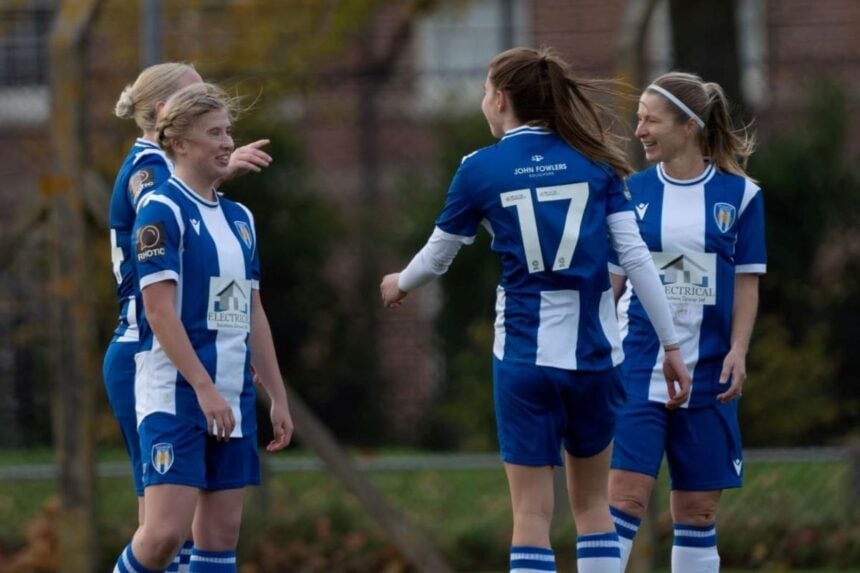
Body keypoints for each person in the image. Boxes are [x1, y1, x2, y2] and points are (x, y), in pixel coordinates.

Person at [380, 47, 691, 573]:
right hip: (596, 356)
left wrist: (399, 282)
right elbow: (637, 260)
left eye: (484, 90)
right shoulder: (595, 161)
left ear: (500, 99)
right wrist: (671, 345)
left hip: (525, 355)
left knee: (530, 513)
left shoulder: (479, 169)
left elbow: (439, 254)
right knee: (594, 508)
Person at [112, 82, 293, 573]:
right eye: (214, 132)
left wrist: (276, 395)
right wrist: (203, 386)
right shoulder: (161, 210)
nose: (228, 143)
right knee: (164, 536)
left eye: (229, 131)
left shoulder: (239, 218)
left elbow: (251, 312)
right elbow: (159, 313)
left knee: (218, 540)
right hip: (177, 393)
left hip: (230, 396)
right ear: (179, 143)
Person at [607, 72, 766, 572]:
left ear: (689, 126)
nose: (640, 131)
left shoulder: (740, 197)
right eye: (639, 120)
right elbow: (611, 283)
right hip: (637, 368)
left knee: (697, 512)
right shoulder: (629, 192)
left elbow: (745, 282)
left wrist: (738, 350)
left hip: (708, 375)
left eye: (651, 120)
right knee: (625, 501)